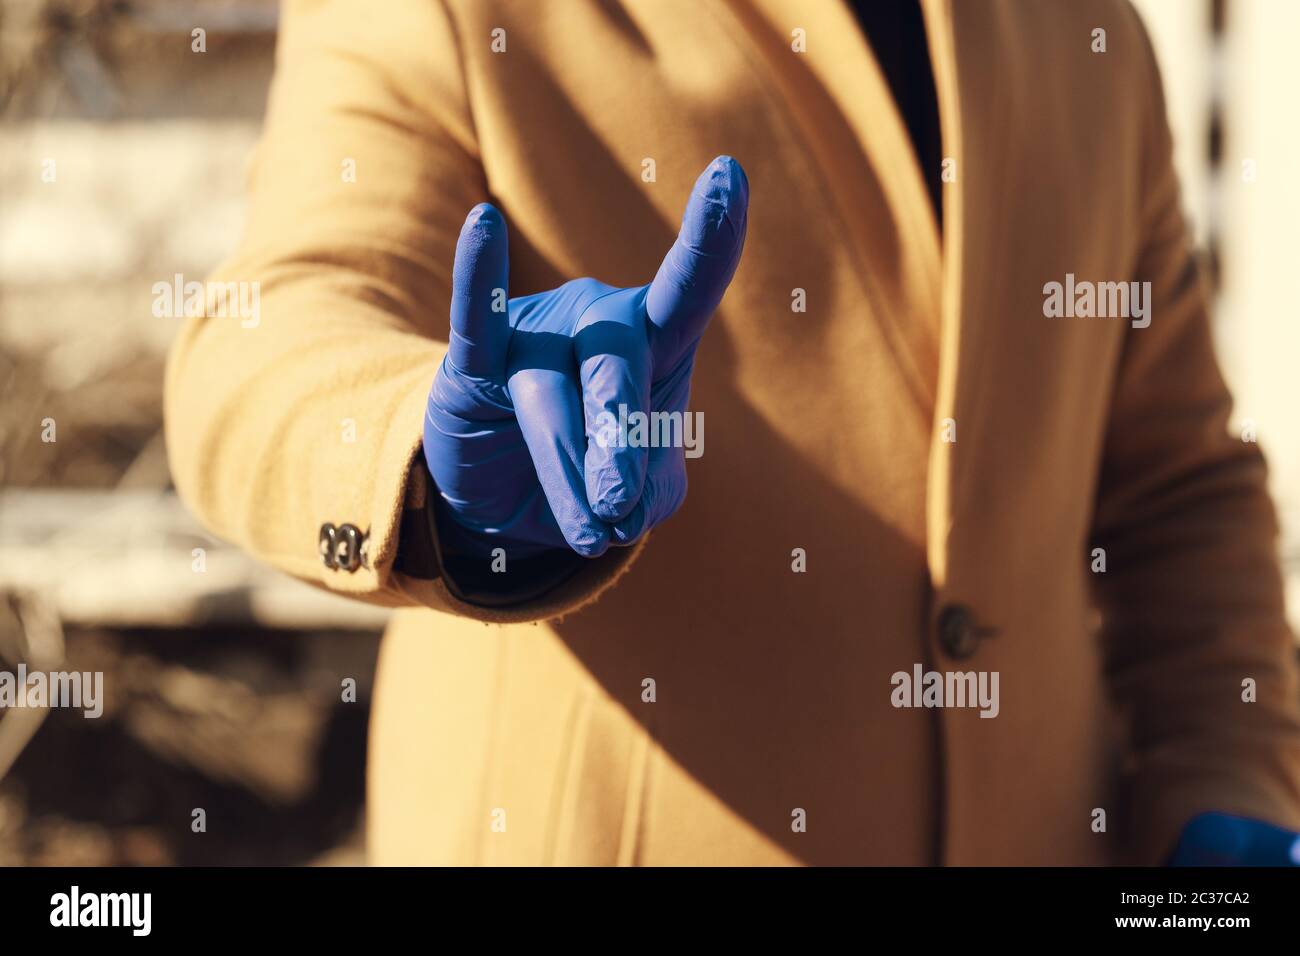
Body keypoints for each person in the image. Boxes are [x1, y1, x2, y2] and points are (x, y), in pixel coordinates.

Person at [164, 0, 1300, 865]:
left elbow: (1175, 483)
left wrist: (1229, 777)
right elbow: (276, 326)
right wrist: (420, 452)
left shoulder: (1084, 31)